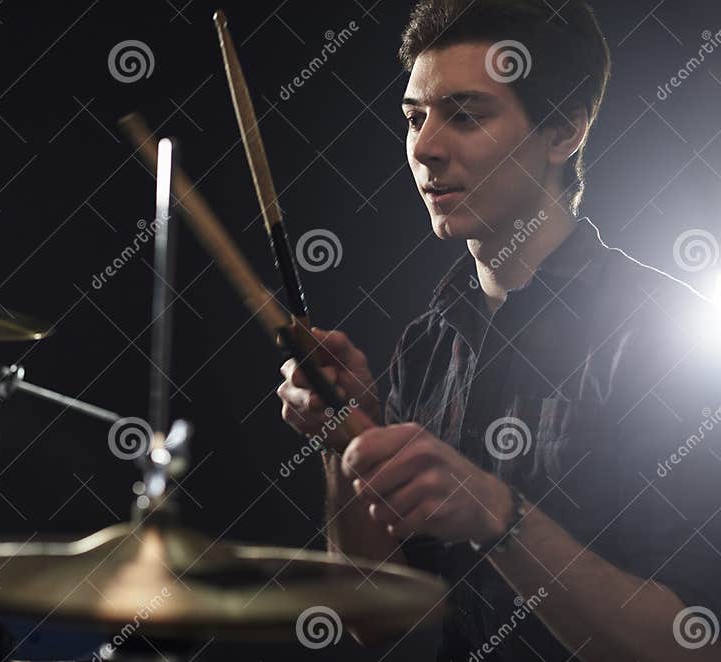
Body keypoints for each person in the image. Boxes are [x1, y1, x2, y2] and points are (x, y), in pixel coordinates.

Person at [276, 1, 721, 660]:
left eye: (465, 115)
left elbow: (695, 643)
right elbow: (376, 616)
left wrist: (495, 512)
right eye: (414, 117)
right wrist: (344, 433)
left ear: (564, 129)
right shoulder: (427, 344)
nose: (425, 146)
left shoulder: (661, 338)